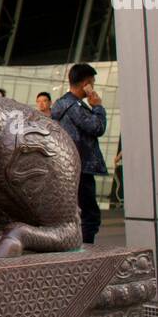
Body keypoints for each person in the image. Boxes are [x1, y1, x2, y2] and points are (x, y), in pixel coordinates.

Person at [51, 63, 108, 245]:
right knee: (89, 215)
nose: (93, 86)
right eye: (92, 82)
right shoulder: (75, 106)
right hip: (81, 166)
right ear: (85, 83)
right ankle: (85, 250)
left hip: (66, 165)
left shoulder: (60, 104)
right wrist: (98, 106)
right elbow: (97, 127)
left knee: (74, 212)